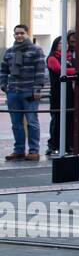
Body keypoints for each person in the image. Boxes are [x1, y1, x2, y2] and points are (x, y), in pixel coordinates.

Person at [1, 25, 45, 161]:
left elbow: (40, 71)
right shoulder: (9, 52)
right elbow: (3, 70)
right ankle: (19, 150)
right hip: (13, 92)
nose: (19, 36)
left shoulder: (36, 50)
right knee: (16, 123)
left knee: (32, 122)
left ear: (27, 34)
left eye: (22, 33)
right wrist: (3, 86)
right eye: (16, 33)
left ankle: (34, 151)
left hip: (29, 92)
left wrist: (37, 89)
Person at [46, 31, 76, 156]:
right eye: (60, 44)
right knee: (57, 120)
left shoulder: (70, 58)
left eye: (65, 43)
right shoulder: (52, 58)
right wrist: (75, 71)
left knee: (69, 120)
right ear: (55, 45)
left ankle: (68, 145)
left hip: (69, 93)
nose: (64, 46)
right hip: (57, 92)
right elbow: (59, 70)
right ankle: (54, 145)